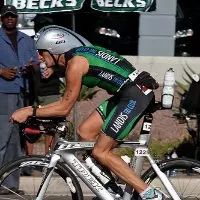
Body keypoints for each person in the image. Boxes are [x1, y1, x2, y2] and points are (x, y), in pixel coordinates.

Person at [10, 26, 163, 200]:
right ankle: (112, 187)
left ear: (55, 49)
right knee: (85, 132)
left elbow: (64, 107)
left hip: (134, 95)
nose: (38, 57)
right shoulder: (78, 55)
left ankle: (150, 194)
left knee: (101, 152)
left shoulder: (75, 64)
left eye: (42, 52)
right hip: (127, 93)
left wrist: (30, 110)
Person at [0, 4, 39, 194]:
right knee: (1, 138)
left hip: (22, 93)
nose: (10, 19)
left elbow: (36, 62)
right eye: (6, 16)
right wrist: (1, 71)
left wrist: (33, 67)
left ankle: (10, 185)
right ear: (1, 18)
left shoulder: (26, 39)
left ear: (17, 18)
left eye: (12, 16)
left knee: (15, 141)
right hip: (3, 92)